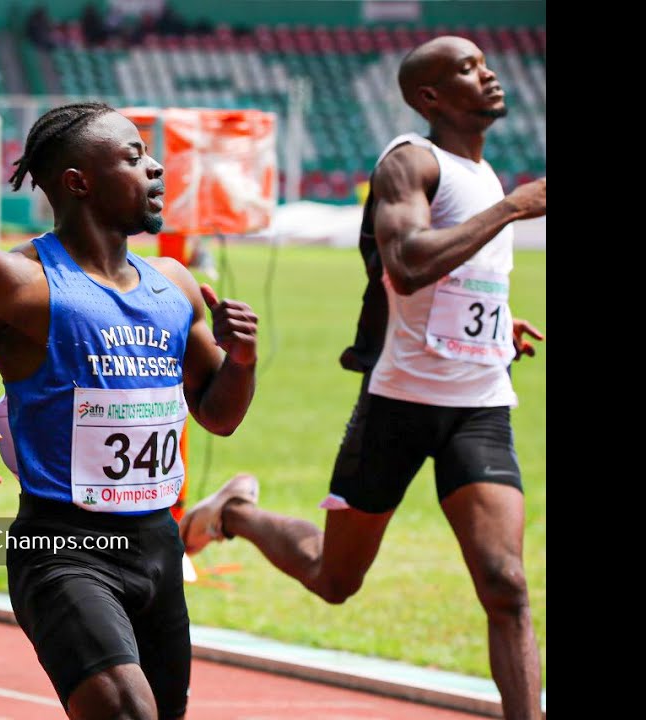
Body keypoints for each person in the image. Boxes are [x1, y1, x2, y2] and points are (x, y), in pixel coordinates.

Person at [179, 36, 546, 720]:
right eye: (467, 68)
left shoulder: (487, 175)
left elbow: (455, 279)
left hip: (480, 406)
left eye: (486, 63)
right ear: (430, 97)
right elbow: (405, 263)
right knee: (334, 579)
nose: (489, 75)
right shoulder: (410, 162)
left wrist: (498, 322)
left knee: (507, 585)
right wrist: (516, 209)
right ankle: (234, 513)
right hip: (398, 406)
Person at [0, 101, 259, 719]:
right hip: (63, 547)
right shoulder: (13, 280)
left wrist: (240, 359)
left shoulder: (175, 284)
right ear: (79, 182)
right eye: (134, 158)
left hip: (158, 544)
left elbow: (220, 416)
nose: (156, 168)